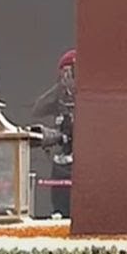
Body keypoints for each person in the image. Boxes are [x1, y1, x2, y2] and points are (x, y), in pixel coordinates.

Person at [31, 49, 77, 217]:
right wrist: (60, 88)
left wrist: (78, 90)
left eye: (72, 71)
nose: (68, 75)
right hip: (61, 163)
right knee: (60, 210)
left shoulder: (88, 96)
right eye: (64, 72)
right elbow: (37, 109)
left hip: (82, 163)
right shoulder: (59, 97)